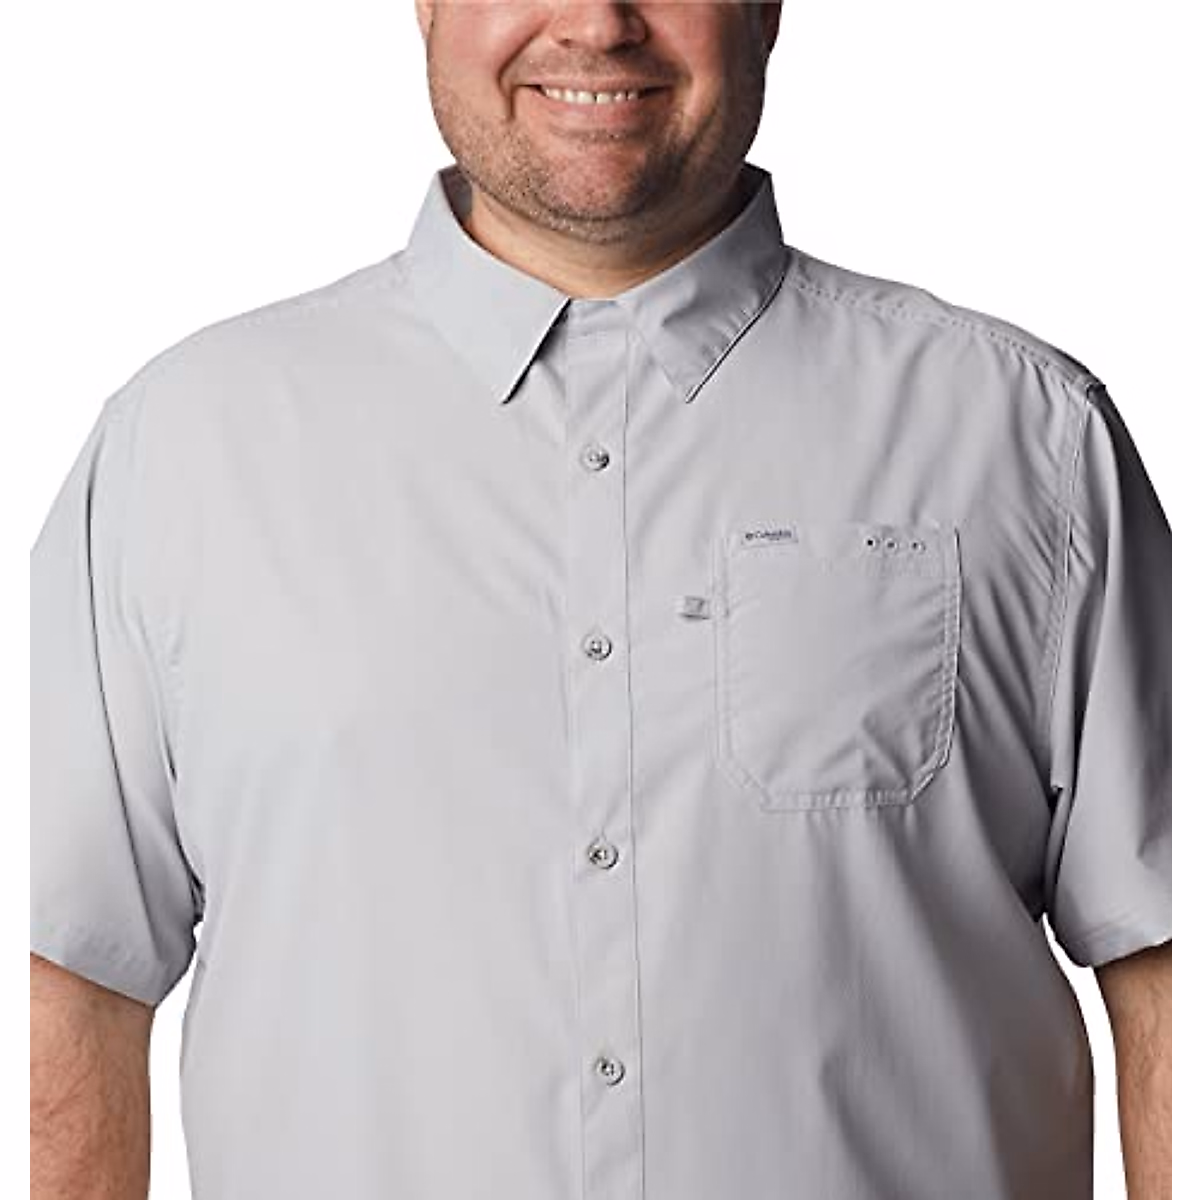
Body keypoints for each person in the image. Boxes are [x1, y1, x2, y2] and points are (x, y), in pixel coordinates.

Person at [31, 3, 1171, 1198]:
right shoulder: (185, 450)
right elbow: (73, 977)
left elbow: (1162, 961)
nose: (597, 23)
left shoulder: (1025, 438)